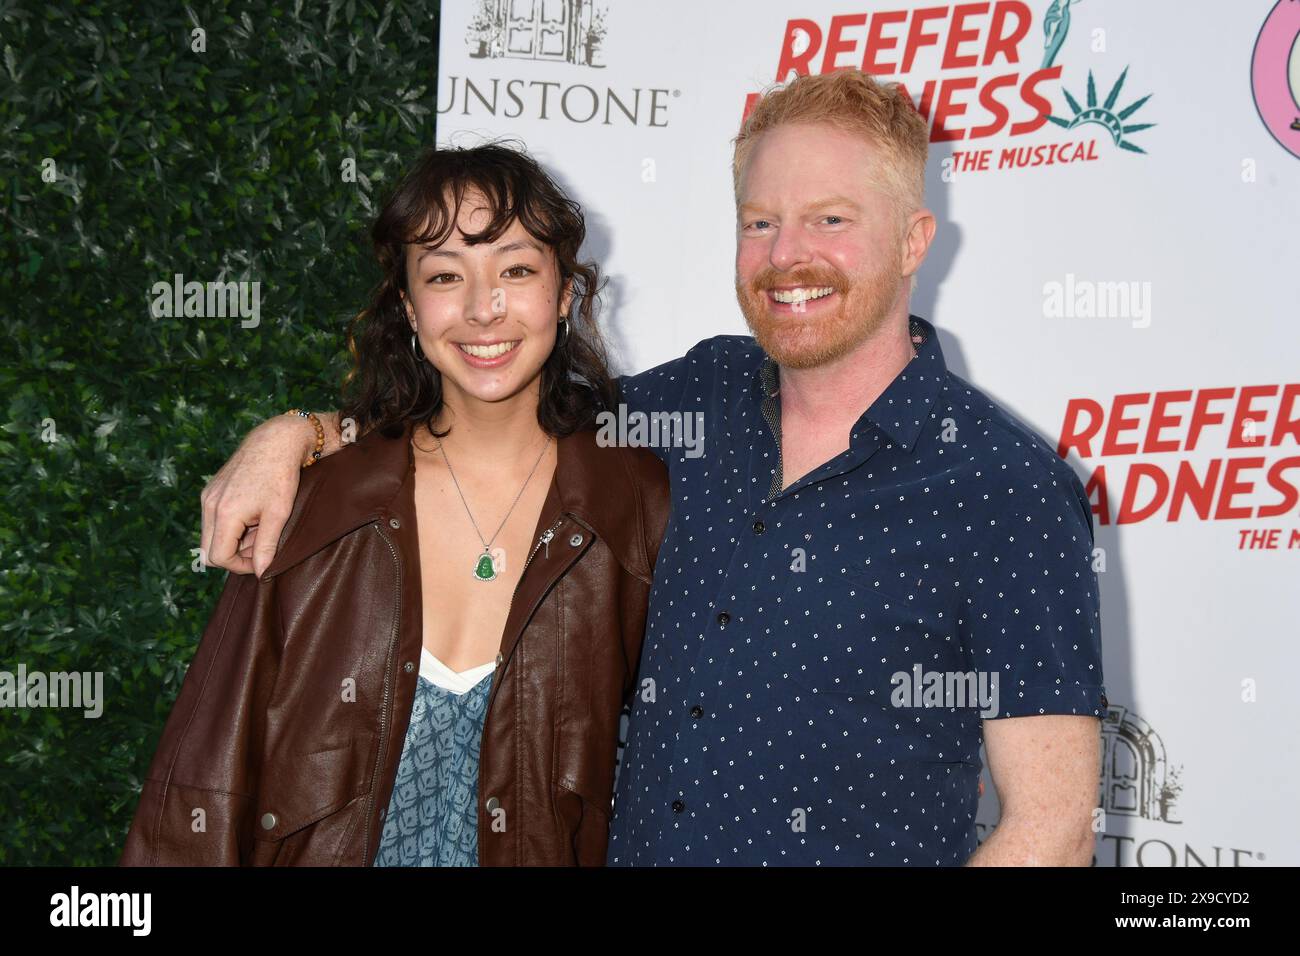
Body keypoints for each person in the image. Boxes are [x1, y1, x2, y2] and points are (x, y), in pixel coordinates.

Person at [198, 69, 1107, 866]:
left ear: (913, 240)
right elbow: (491, 409)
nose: (788, 256)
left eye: (830, 219)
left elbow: (1051, 829)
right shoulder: (694, 402)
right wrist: (303, 432)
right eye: (762, 221)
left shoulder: (1006, 488)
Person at [120, 142, 670, 866]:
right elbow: (206, 773)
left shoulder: (634, 506)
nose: (483, 309)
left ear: (564, 292)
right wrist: (300, 429)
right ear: (410, 309)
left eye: (515, 269)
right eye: (445, 276)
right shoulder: (319, 502)